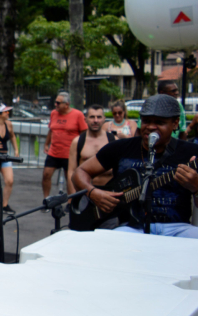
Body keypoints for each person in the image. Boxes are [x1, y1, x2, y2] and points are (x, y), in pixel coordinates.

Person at [73, 94, 198, 238]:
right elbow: (79, 172)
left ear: (175, 123)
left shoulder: (191, 152)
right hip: (131, 228)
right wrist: (93, 193)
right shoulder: (121, 147)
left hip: (178, 228)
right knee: (110, 242)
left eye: (159, 122)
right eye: (146, 121)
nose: (150, 127)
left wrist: (196, 187)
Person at [67, 104, 118, 230]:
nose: (96, 120)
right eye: (92, 117)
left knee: (108, 233)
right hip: (85, 194)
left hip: (108, 194)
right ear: (85, 119)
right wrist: (72, 198)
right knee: (81, 233)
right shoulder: (78, 142)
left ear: (104, 119)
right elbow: (71, 171)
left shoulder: (114, 141)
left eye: (99, 117)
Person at [42, 91, 86, 200]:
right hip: (54, 152)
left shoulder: (78, 115)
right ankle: (46, 199)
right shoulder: (54, 113)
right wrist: (46, 144)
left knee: (70, 179)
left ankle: (71, 202)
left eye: (58, 103)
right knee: (46, 175)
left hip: (70, 154)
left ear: (66, 105)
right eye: (55, 102)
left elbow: (84, 133)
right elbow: (51, 130)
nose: (55, 104)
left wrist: (81, 149)